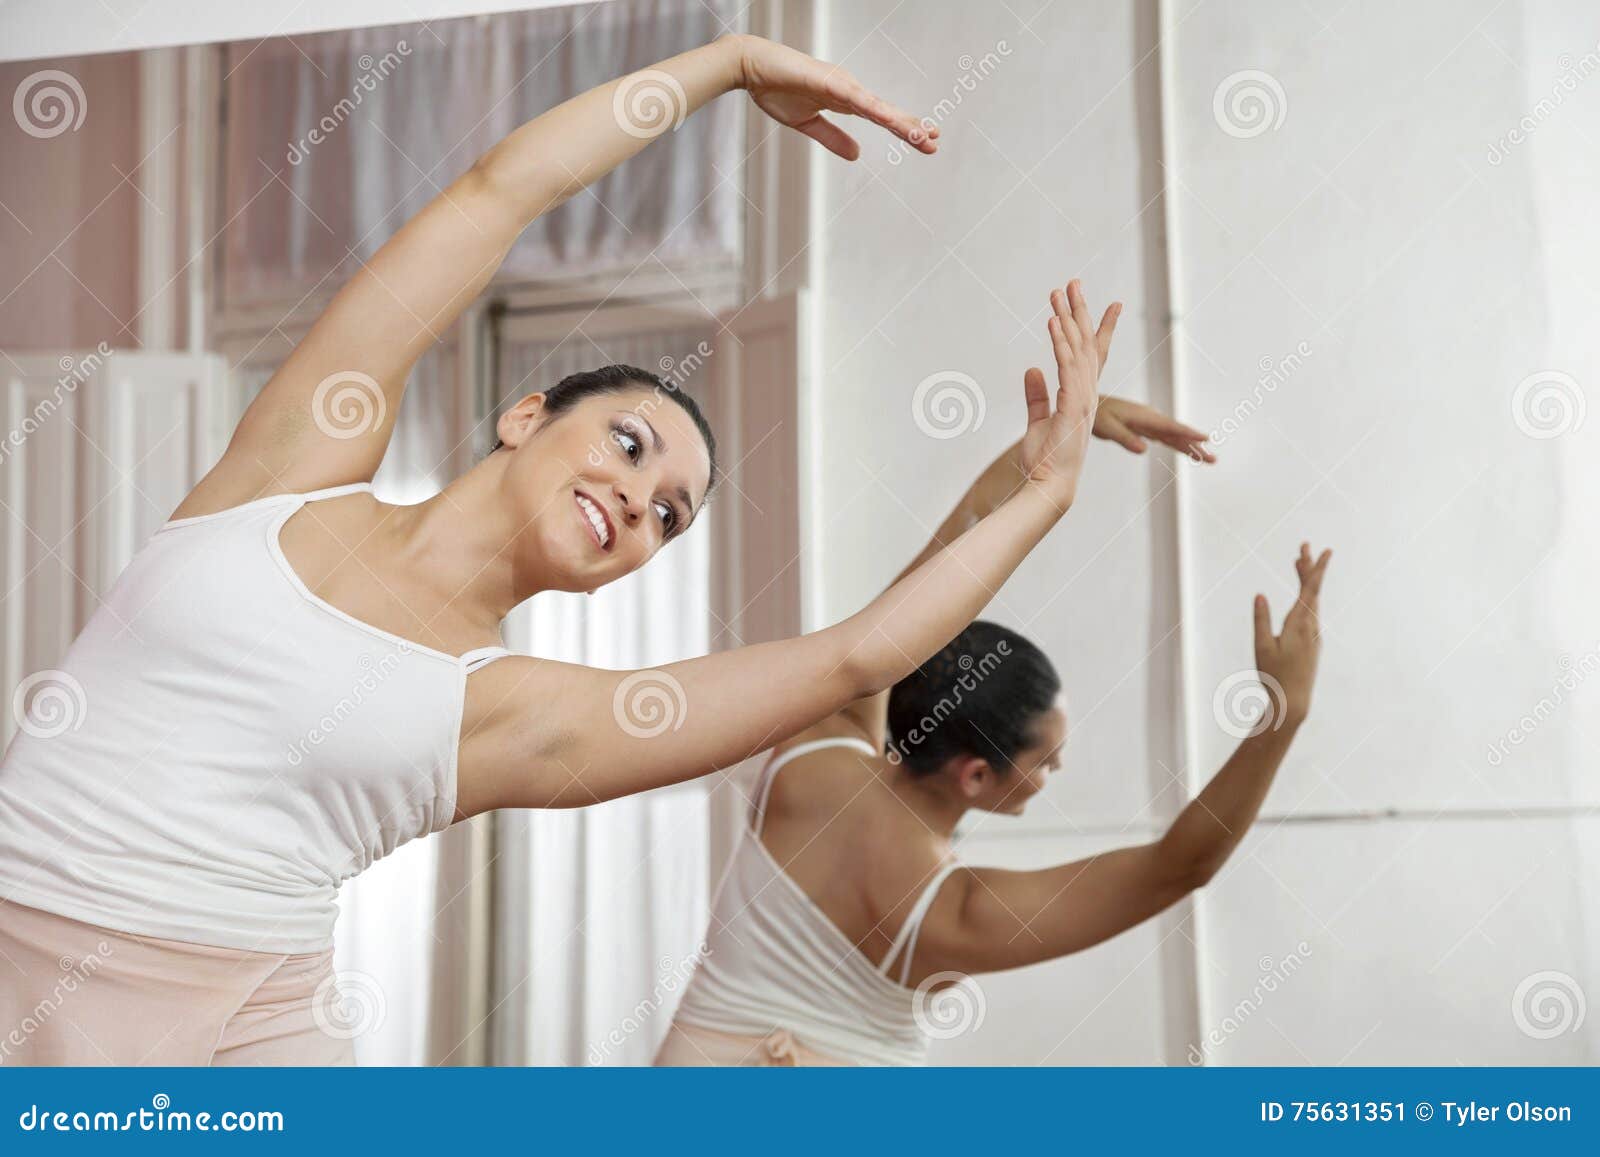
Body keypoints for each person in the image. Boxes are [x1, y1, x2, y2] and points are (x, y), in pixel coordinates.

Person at [0, 32, 1126, 1065]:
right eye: (630, 445)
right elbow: (502, 192)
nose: (639, 500)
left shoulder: (519, 710)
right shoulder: (293, 463)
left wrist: (1046, 496)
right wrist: (725, 64)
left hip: (257, 1005)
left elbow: (849, 659)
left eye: (670, 514)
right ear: (526, 413)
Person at [657, 424, 1331, 1067]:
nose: (1058, 769)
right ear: (975, 776)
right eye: (1045, 758)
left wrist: (1062, 435)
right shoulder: (951, 913)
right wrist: (1285, 711)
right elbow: (1176, 866)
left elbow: (931, 579)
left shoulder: (808, 756)